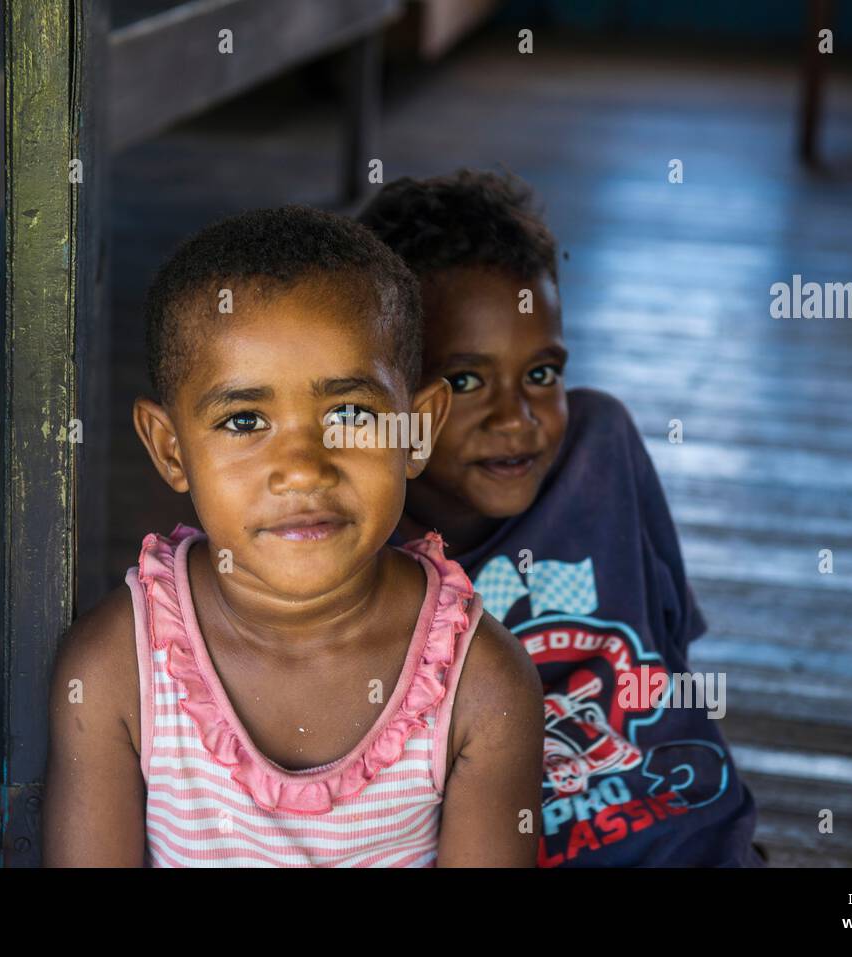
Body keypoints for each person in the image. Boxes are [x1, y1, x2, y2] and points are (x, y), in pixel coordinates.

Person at [43, 204, 543, 867]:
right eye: (245, 420)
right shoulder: (118, 669)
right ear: (170, 448)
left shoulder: (480, 683)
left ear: (417, 428)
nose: (305, 467)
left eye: (349, 412)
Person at [360, 170, 765, 866]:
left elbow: (668, 652)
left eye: (542, 374)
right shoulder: (360, 553)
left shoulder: (600, 450)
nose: (516, 419)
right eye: (465, 380)